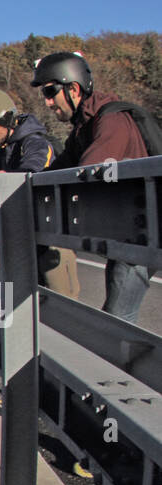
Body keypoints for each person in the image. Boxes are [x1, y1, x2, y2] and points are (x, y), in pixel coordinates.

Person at [33, 52, 157, 324]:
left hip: (138, 234)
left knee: (116, 323)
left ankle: (130, 366)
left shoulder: (111, 121)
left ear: (73, 88)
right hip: (125, 234)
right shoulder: (84, 127)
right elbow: (58, 171)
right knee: (116, 320)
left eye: (51, 91)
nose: (47, 101)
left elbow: (89, 172)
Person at [0, 89, 75, 297]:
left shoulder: (35, 143)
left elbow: (35, 169)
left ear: (5, 119)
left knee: (62, 307)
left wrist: (1, 176)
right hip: (25, 239)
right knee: (29, 306)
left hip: (51, 240)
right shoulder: (5, 149)